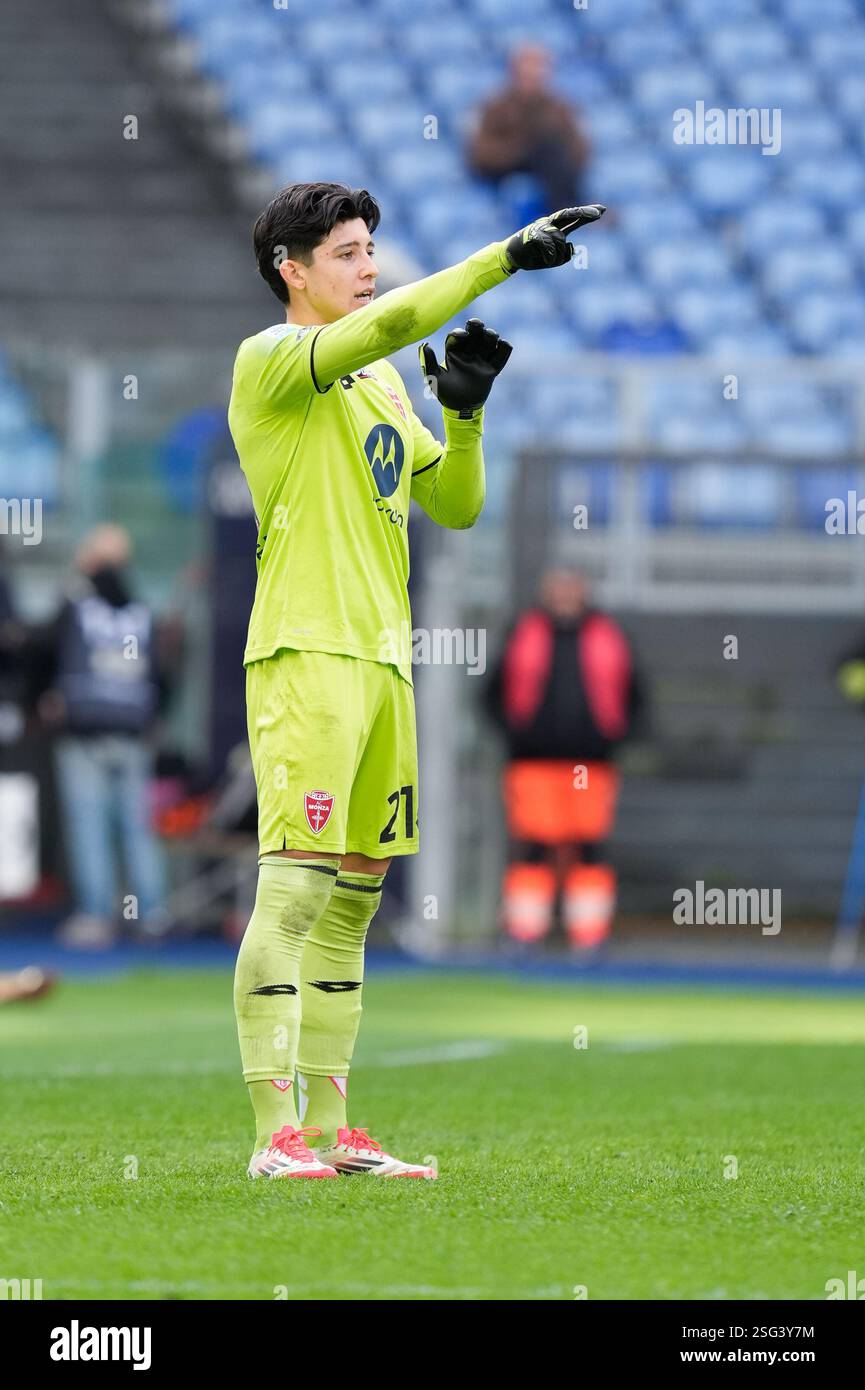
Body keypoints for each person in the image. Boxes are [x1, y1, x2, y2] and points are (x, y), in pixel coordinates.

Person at [228, 181, 605, 1179]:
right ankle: (273, 1135)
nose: (367, 269)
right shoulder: (272, 361)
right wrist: (502, 258)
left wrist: (466, 414)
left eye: (369, 250)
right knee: (294, 893)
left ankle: (333, 1125)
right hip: (305, 657)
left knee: (353, 900)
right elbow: (397, 318)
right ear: (291, 271)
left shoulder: (388, 383)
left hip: (385, 660)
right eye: (345, 253)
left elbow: (457, 505)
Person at [484, 570, 641, 950]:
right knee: (534, 845)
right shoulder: (523, 633)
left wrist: (612, 741)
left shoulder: (608, 635)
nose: (565, 596)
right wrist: (517, 735)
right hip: (533, 765)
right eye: (558, 588)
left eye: (572, 589)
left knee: (587, 847)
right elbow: (492, 694)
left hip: (592, 765)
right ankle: (524, 933)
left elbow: (635, 695)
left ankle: (589, 936)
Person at [29, 525, 169, 948]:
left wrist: (45, 700)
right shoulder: (140, 609)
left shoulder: (76, 603)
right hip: (130, 732)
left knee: (89, 824)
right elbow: (162, 674)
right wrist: (151, 715)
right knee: (135, 826)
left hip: (85, 731)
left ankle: (97, 916)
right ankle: (149, 915)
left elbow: (43, 651)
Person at [467, 43, 591, 213]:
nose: (533, 79)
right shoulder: (496, 107)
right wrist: (521, 147)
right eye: (527, 74)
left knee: (550, 147)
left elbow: (579, 149)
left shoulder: (558, 108)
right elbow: (482, 152)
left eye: (538, 73)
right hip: (506, 171)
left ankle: (567, 209)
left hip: (549, 170)